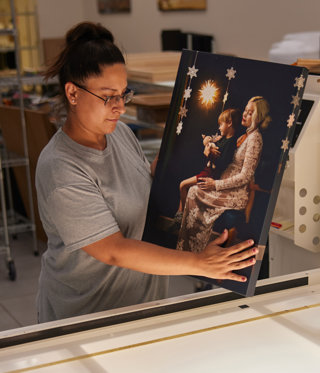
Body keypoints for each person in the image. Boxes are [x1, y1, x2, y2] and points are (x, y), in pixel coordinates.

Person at [35, 22, 258, 323]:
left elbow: (145, 199)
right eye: (107, 96)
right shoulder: (61, 168)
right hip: (86, 319)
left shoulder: (121, 134)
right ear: (73, 93)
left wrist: (169, 168)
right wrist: (199, 264)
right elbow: (113, 250)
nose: (119, 107)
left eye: (123, 95)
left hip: (141, 309)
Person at [176, 96, 271, 253]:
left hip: (235, 193)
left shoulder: (255, 139)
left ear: (258, 117)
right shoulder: (245, 135)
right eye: (245, 111)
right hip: (223, 183)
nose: (245, 115)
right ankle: (188, 246)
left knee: (193, 191)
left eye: (249, 113)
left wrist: (215, 184)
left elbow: (245, 176)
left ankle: (193, 249)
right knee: (193, 189)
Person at [175, 108, 241, 220]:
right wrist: (207, 142)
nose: (219, 127)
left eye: (221, 124)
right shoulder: (223, 139)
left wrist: (209, 154)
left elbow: (222, 164)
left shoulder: (231, 143)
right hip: (206, 171)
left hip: (210, 175)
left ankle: (181, 214)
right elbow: (210, 144)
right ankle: (180, 213)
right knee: (185, 185)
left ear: (229, 123)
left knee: (183, 185)